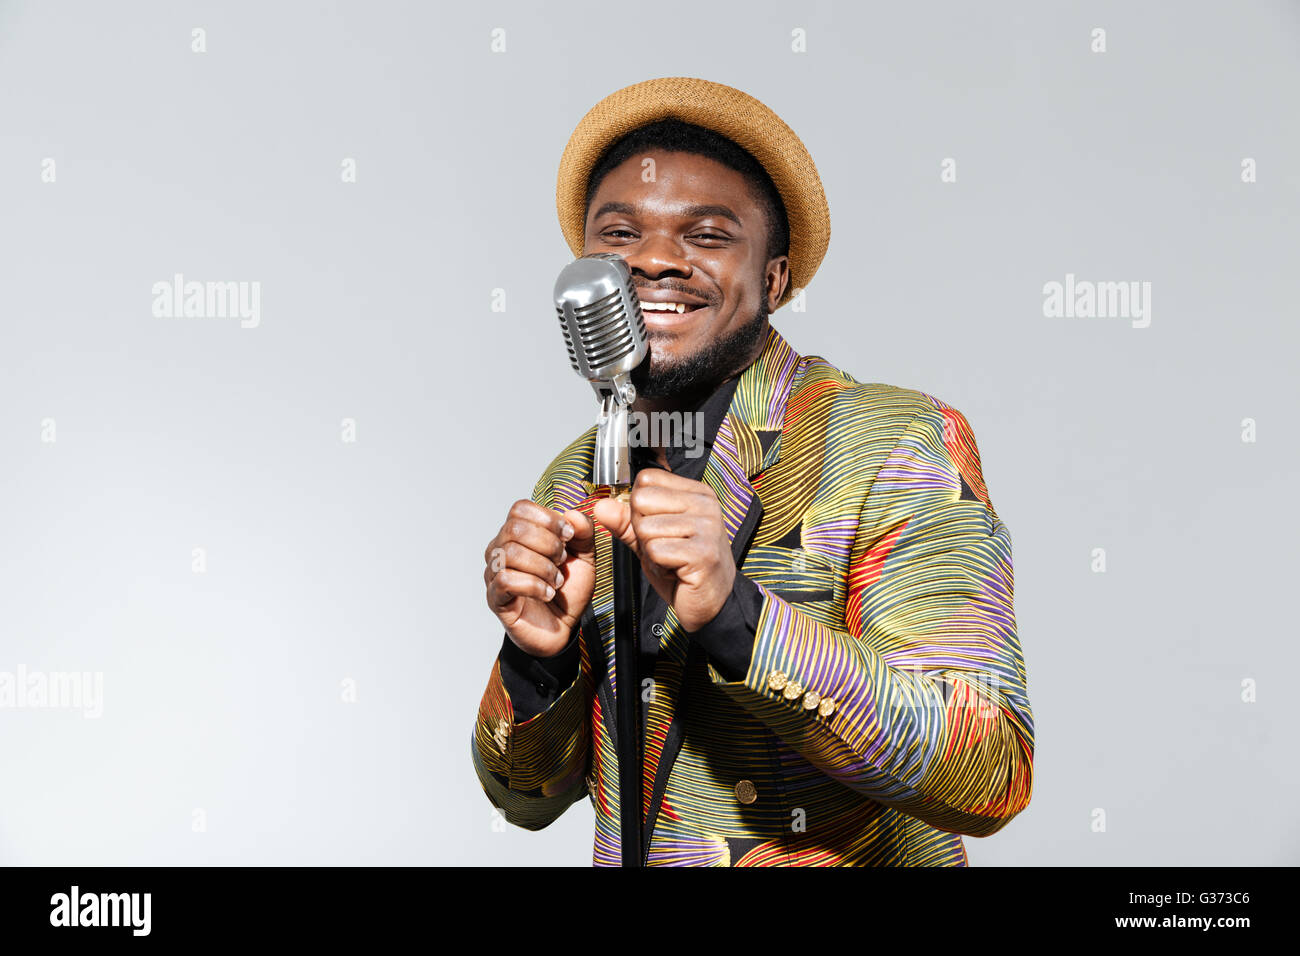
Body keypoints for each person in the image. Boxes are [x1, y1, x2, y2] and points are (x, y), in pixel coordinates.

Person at [471, 77, 1034, 866]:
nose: (656, 261)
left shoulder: (892, 440)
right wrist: (540, 658)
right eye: (620, 235)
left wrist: (739, 616)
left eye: (706, 235)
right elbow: (522, 801)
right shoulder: (577, 477)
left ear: (774, 280)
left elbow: (988, 769)